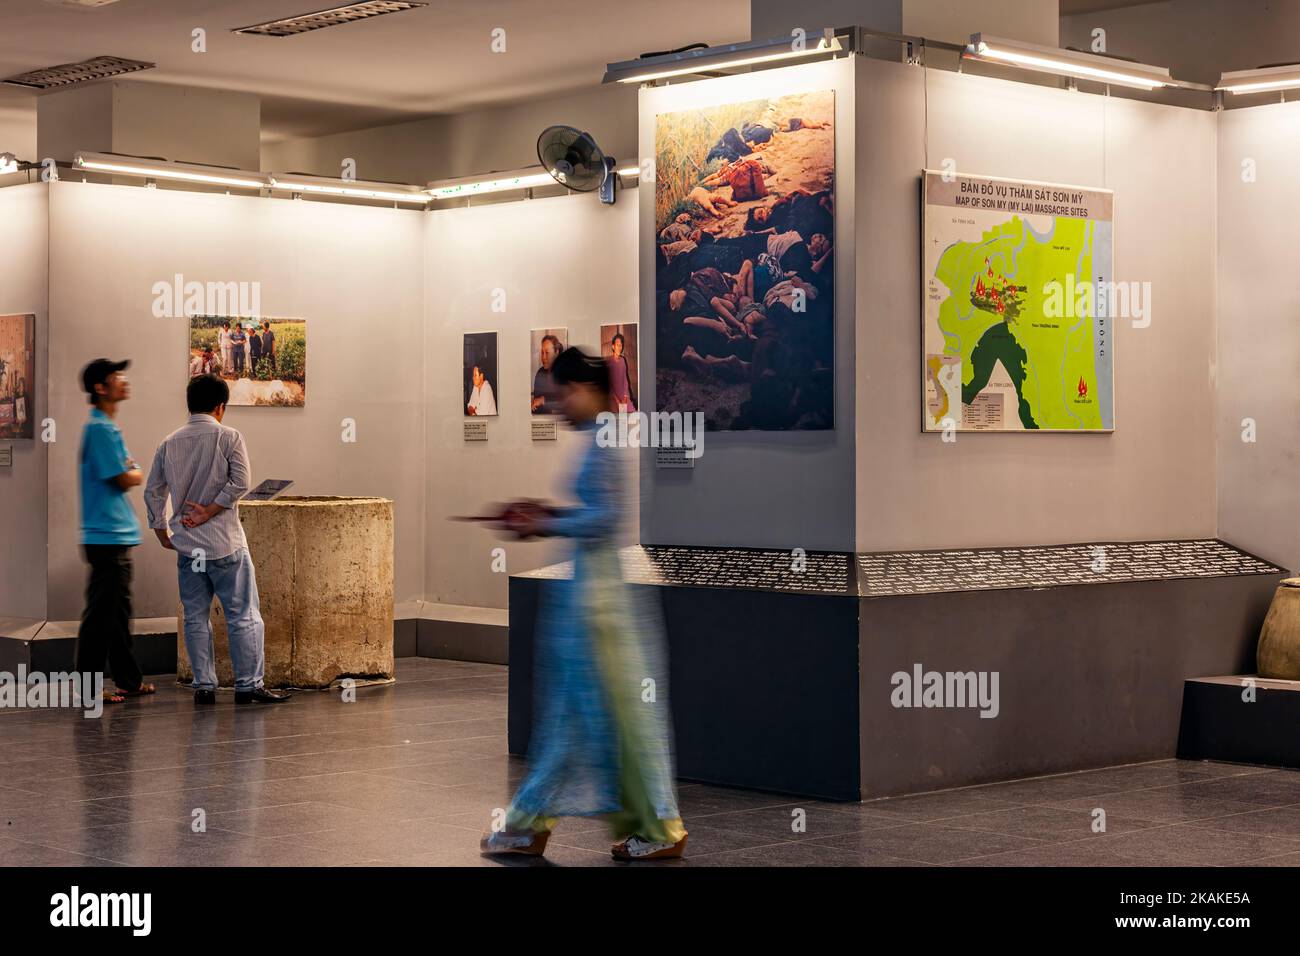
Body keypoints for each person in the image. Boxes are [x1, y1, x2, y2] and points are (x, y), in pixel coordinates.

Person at [479, 347, 687, 861]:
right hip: (591, 596)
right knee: (582, 714)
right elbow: (594, 512)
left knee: (598, 714)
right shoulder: (601, 438)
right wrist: (546, 514)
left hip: (598, 604)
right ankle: (538, 822)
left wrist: (545, 521)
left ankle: (645, 828)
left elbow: (606, 519)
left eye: (563, 394)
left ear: (589, 390)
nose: (557, 407)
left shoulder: (606, 442)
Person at [143, 374, 290, 706]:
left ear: (189, 403)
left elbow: (153, 491)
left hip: (188, 547)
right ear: (220, 407)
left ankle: (204, 686)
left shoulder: (169, 442)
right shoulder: (229, 437)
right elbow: (241, 482)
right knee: (243, 614)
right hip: (225, 544)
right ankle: (248, 685)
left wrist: (161, 530)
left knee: (195, 615)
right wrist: (210, 510)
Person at [75, 359, 153, 704]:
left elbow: (131, 471)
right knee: (100, 618)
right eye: (116, 377)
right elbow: (126, 476)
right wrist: (133, 472)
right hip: (105, 536)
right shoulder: (100, 430)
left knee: (118, 616)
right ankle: (87, 690)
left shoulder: (105, 427)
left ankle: (128, 680)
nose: (124, 381)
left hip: (114, 536)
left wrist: (132, 471)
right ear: (100, 389)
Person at [530, 334, 563, 414]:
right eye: (542, 353)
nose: (543, 357)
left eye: (547, 353)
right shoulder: (540, 373)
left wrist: (544, 400)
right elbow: (536, 403)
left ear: (556, 352)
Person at [607, 333, 636, 413]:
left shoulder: (623, 360)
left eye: (621, 345)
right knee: (616, 418)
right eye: (617, 345)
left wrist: (625, 396)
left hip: (623, 395)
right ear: (613, 346)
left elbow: (625, 379)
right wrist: (617, 400)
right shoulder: (609, 362)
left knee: (632, 414)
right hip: (613, 396)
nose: (620, 347)